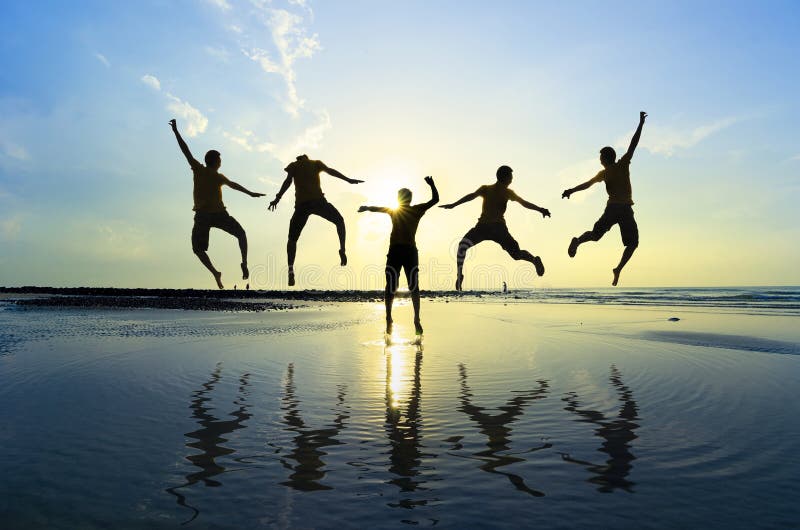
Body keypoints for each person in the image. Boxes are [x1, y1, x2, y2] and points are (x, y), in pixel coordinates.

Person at [169, 119, 264, 289]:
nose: (221, 161)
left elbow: (186, 152)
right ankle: (235, 265)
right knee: (240, 234)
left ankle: (220, 271)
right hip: (215, 215)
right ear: (214, 160)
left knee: (200, 249)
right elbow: (186, 150)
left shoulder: (203, 172)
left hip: (206, 216)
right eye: (219, 159)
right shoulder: (208, 173)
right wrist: (250, 194)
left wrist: (250, 193)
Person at [562, 112, 647, 286]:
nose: (599, 159)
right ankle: (617, 269)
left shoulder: (609, 170)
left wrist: (571, 190)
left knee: (595, 236)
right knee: (632, 244)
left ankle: (578, 241)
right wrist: (641, 124)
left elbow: (587, 184)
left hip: (613, 210)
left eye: (601, 156)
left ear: (605, 158)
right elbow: (633, 145)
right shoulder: (620, 166)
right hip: (623, 210)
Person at [440, 166, 550, 291]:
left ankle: (534, 260)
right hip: (487, 228)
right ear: (504, 177)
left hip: (494, 229)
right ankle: (460, 276)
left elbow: (524, 203)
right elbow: (471, 196)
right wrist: (454, 204)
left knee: (515, 254)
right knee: (463, 246)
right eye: (511, 177)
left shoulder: (500, 191)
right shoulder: (490, 190)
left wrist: (540, 209)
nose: (512, 180)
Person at [358, 176, 439, 335]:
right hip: (408, 251)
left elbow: (378, 208)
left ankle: (390, 317)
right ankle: (415, 319)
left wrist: (367, 207)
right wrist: (432, 184)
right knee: (412, 286)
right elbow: (435, 199)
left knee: (391, 286)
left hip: (397, 251)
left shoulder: (395, 211)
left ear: (399, 199)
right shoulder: (415, 210)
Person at [268, 155, 363, 286]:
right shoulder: (315, 163)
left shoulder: (294, 165)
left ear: (300, 159)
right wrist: (347, 180)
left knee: (292, 239)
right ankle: (342, 249)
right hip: (318, 202)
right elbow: (331, 171)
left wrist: (277, 198)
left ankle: (290, 270)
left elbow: (288, 182)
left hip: (302, 206)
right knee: (339, 221)